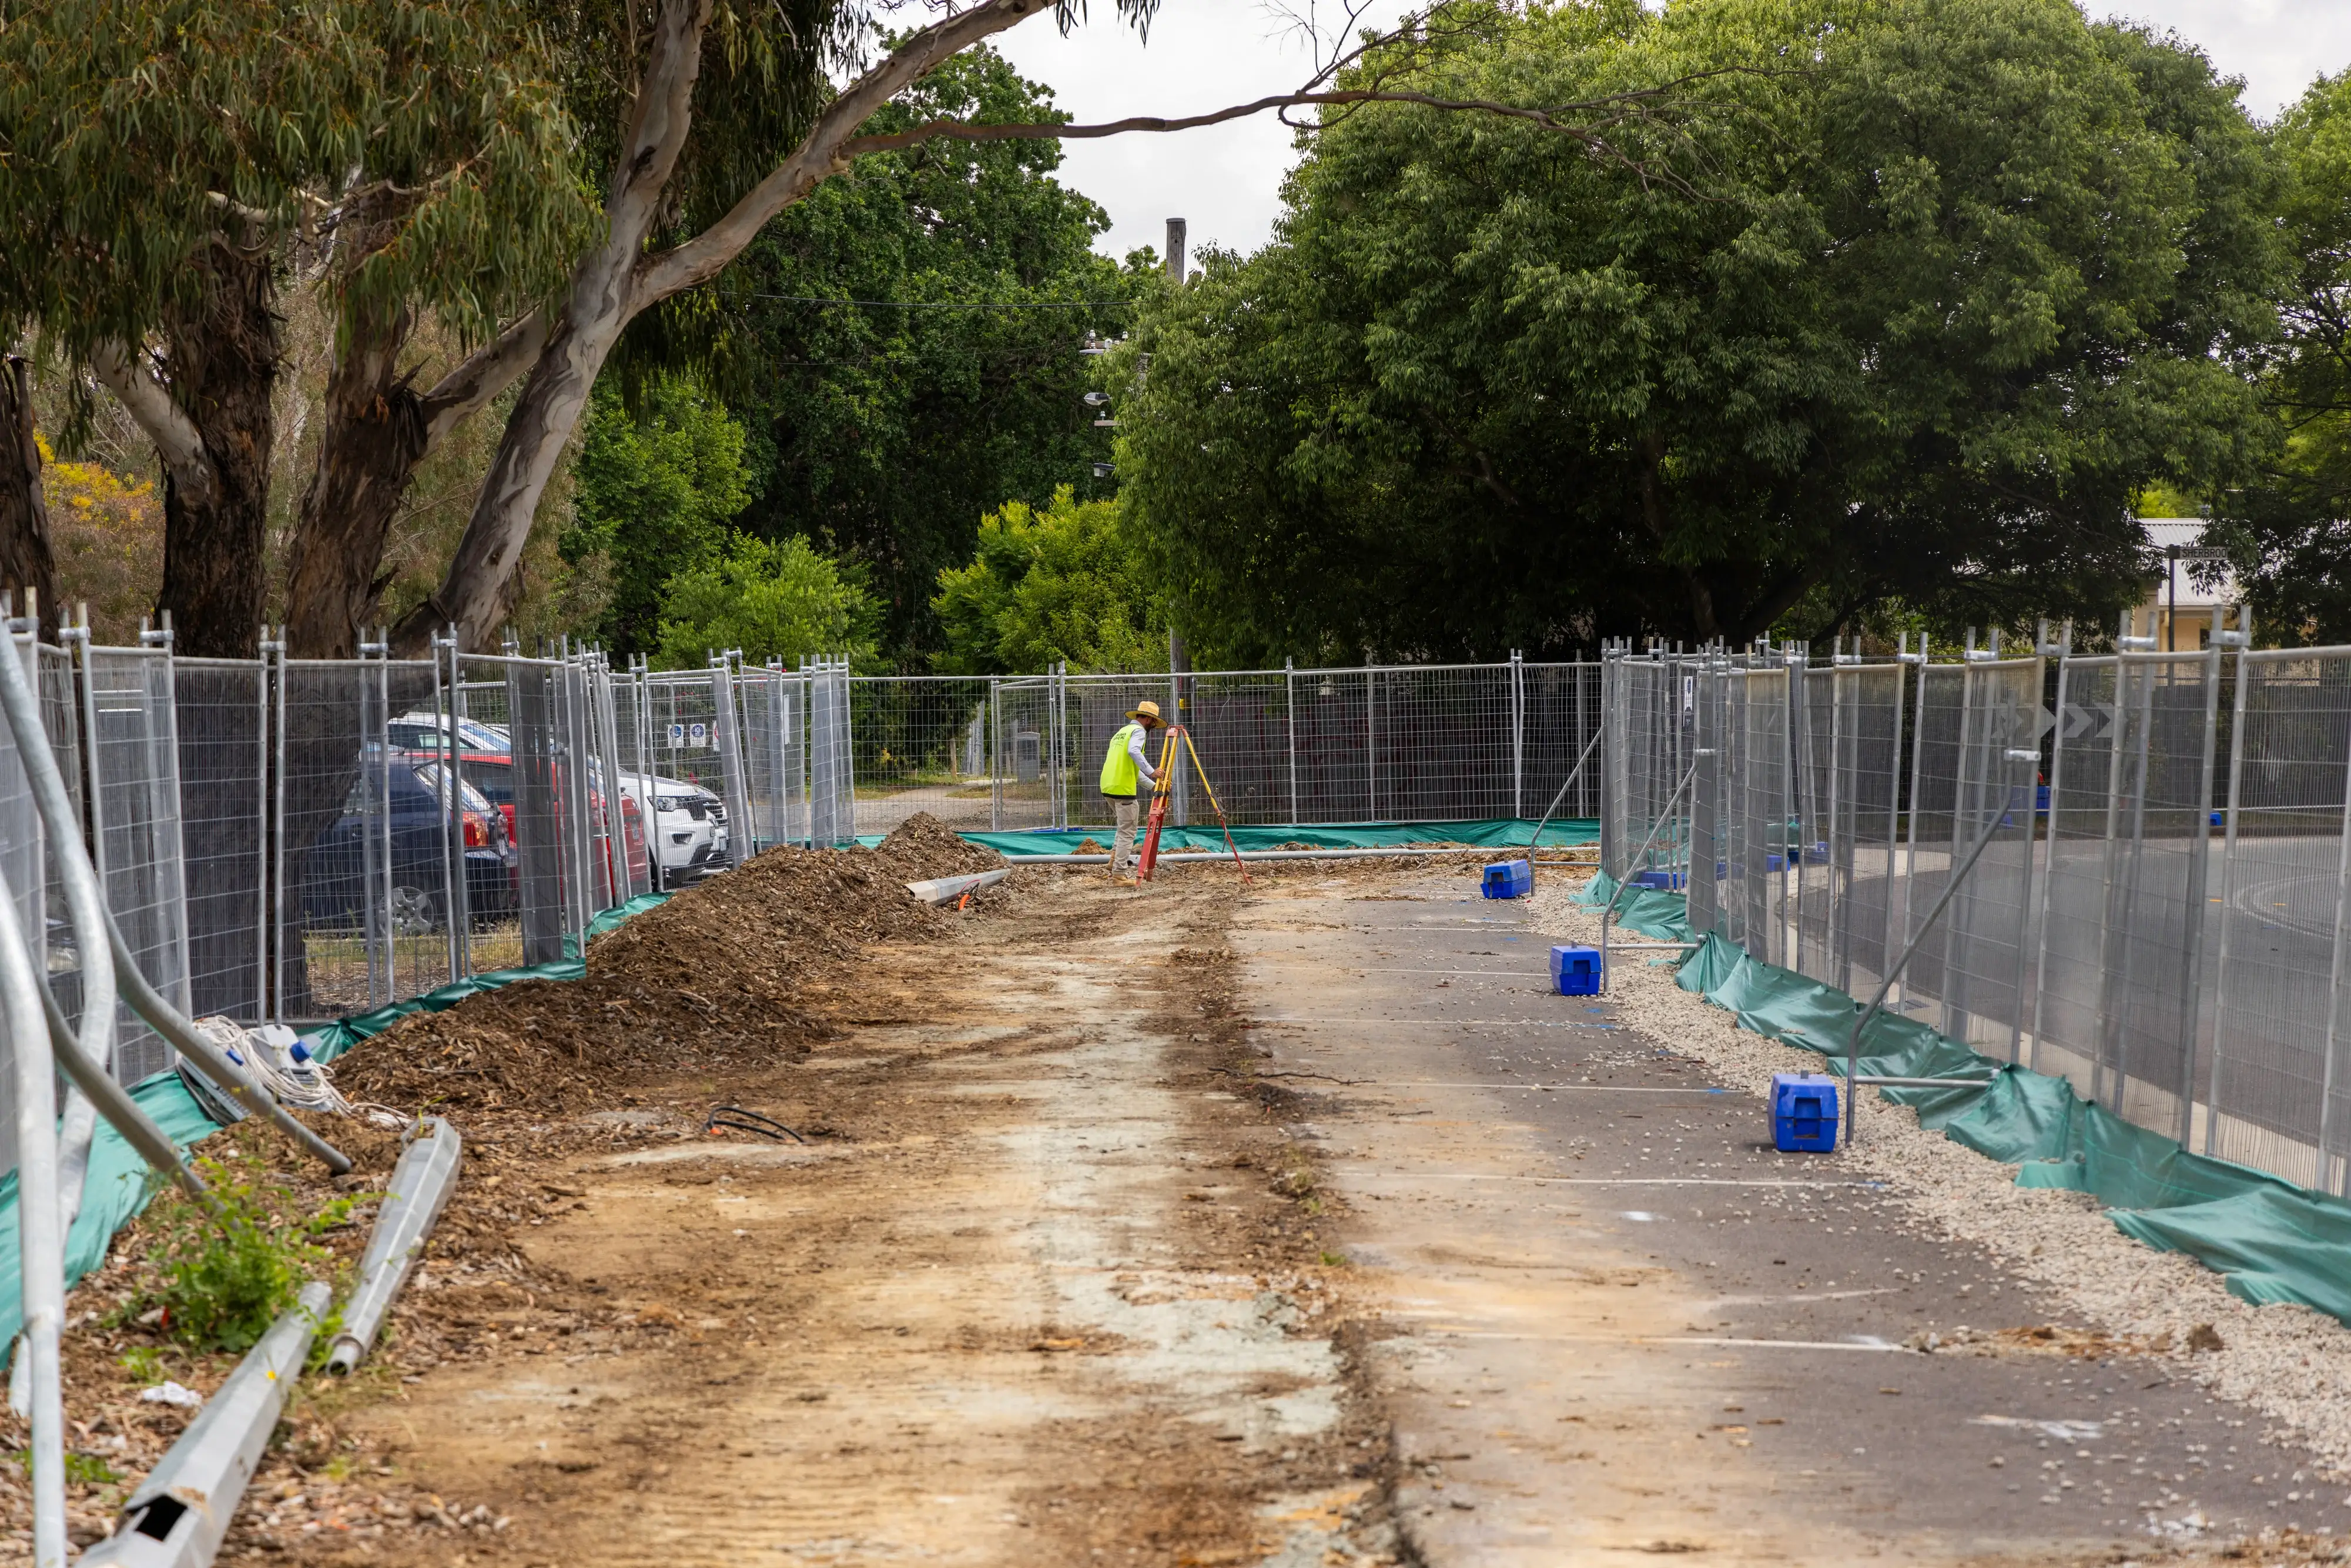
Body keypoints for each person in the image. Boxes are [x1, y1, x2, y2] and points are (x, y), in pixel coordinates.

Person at [1099, 700, 1164, 880]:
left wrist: (1153, 786)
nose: (1152, 726)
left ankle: (1114, 860)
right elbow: (1134, 751)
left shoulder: (1122, 732)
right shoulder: (1139, 732)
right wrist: (1153, 772)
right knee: (1128, 831)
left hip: (1108, 786)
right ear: (1149, 720)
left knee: (1123, 826)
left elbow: (1131, 769)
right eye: (1153, 722)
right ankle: (1119, 874)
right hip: (1122, 789)